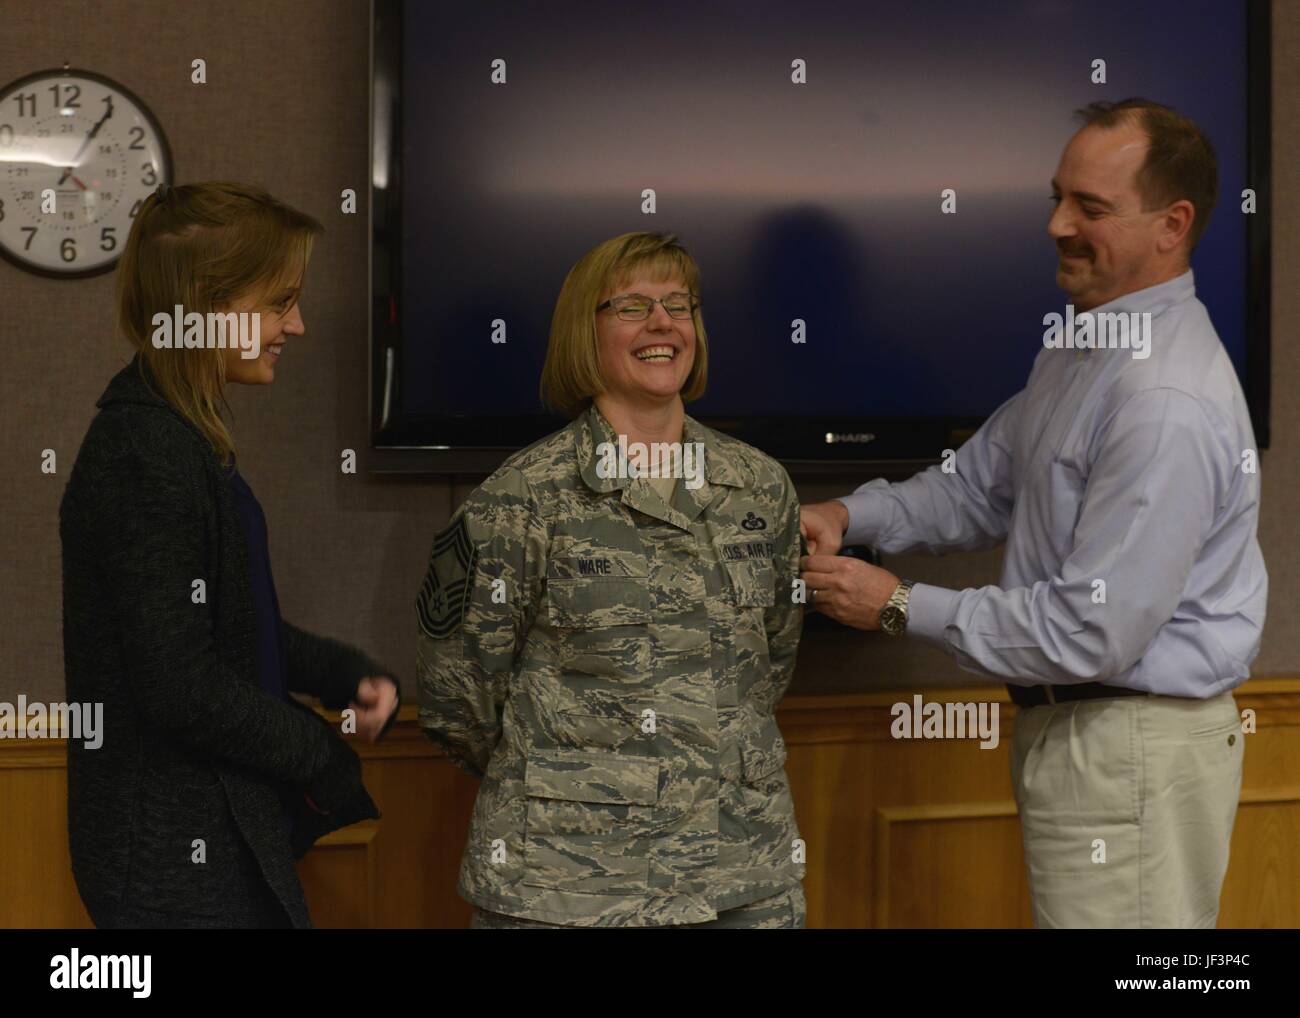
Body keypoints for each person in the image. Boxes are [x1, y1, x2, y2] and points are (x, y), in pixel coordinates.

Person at [800, 99, 1266, 929]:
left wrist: (899, 605)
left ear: (1174, 224)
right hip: (1090, 742)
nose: (1057, 224)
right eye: (1057, 197)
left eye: (1090, 207)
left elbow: (1093, 632)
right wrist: (848, 513)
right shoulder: (1085, 346)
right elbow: (977, 486)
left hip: (1132, 747)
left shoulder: (1161, 398)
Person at [416, 231, 806, 927]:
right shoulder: (522, 497)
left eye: (678, 305)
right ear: (582, 333)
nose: (663, 324)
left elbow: (771, 660)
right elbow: (458, 696)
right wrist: (578, 783)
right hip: (569, 886)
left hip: (742, 873)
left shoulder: (760, 486)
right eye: (631, 306)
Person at [60, 181, 400, 929]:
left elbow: (226, 629)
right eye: (279, 303)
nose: (298, 325)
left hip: (213, 833)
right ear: (207, 308)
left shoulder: (180, 438)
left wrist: (342, 675)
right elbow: (180, 684)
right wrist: (317, 753)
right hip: (170, 858)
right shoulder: (144, 452)